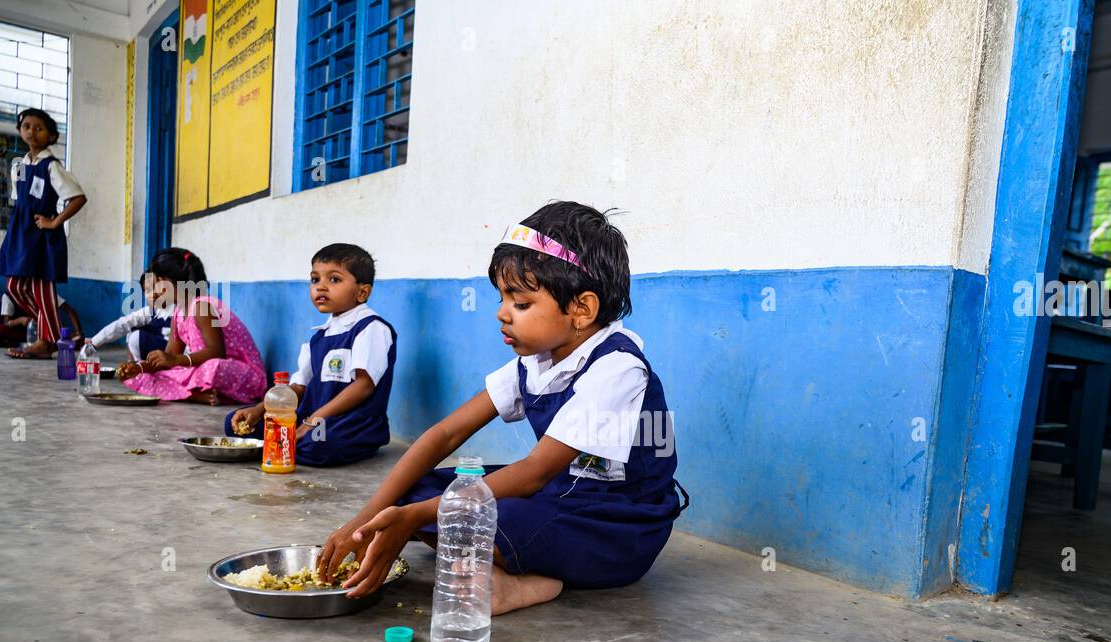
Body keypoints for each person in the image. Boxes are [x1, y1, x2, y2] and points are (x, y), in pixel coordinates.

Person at [318, 201, 688, 614]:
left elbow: (533, 474)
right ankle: (507, 564)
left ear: (582, 309)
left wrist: (410, 519)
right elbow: (446, 434)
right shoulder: (535, 362)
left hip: (615, 523)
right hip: (557, 495)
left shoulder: (618, 368)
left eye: (521, 303)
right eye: (502, 298)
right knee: (421, 490)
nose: (501, 313)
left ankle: (530, 581)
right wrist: (369, 518)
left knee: (483, 517)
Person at [225, 243, 396, 465]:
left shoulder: (371, 328)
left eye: (334, 280)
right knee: (235, 422)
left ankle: (279, 445)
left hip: (352, 422)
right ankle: (283, 443)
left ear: (362, 292)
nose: (321, 287)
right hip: (313, 418)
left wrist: (313, 421)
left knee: (319, 444)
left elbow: (363, 385)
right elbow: (298, 388)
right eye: (315, 279)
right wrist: (259, 410)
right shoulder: (319, 337)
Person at [117, 247, 266, 405]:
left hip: (243, 376)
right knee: (144, 377)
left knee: (212, 368)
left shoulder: (202, 306)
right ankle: (195, 394)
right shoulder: (178, 312)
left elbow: (217, 352)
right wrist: (140, 368)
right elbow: (169, 358)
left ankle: (191, 391)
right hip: (200, 369)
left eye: (158, 282)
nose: (155, 291)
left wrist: (175, 360)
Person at [0, 108, 87, 359]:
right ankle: (53, 333)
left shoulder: (52, 167)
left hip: (42, 233)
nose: (32, 132)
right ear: (19, 130)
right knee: (14, 285)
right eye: (26, 126)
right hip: (21, 232)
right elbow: (20, 199)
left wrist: (55, 221)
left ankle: (47, 340)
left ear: (50, 136)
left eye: (39, 128)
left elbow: (78, 198)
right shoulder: (21, 165)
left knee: (41, 287)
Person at [88, 271, 175, 361]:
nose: (153, 294)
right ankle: (133, 363)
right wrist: (94, 342)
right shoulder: (151, 311)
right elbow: (123, 323)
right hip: (158, 351)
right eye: (148, 290)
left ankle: (140, 368)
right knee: (131, 327)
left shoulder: (177, 310)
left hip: (174, 355)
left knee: (137, 337)